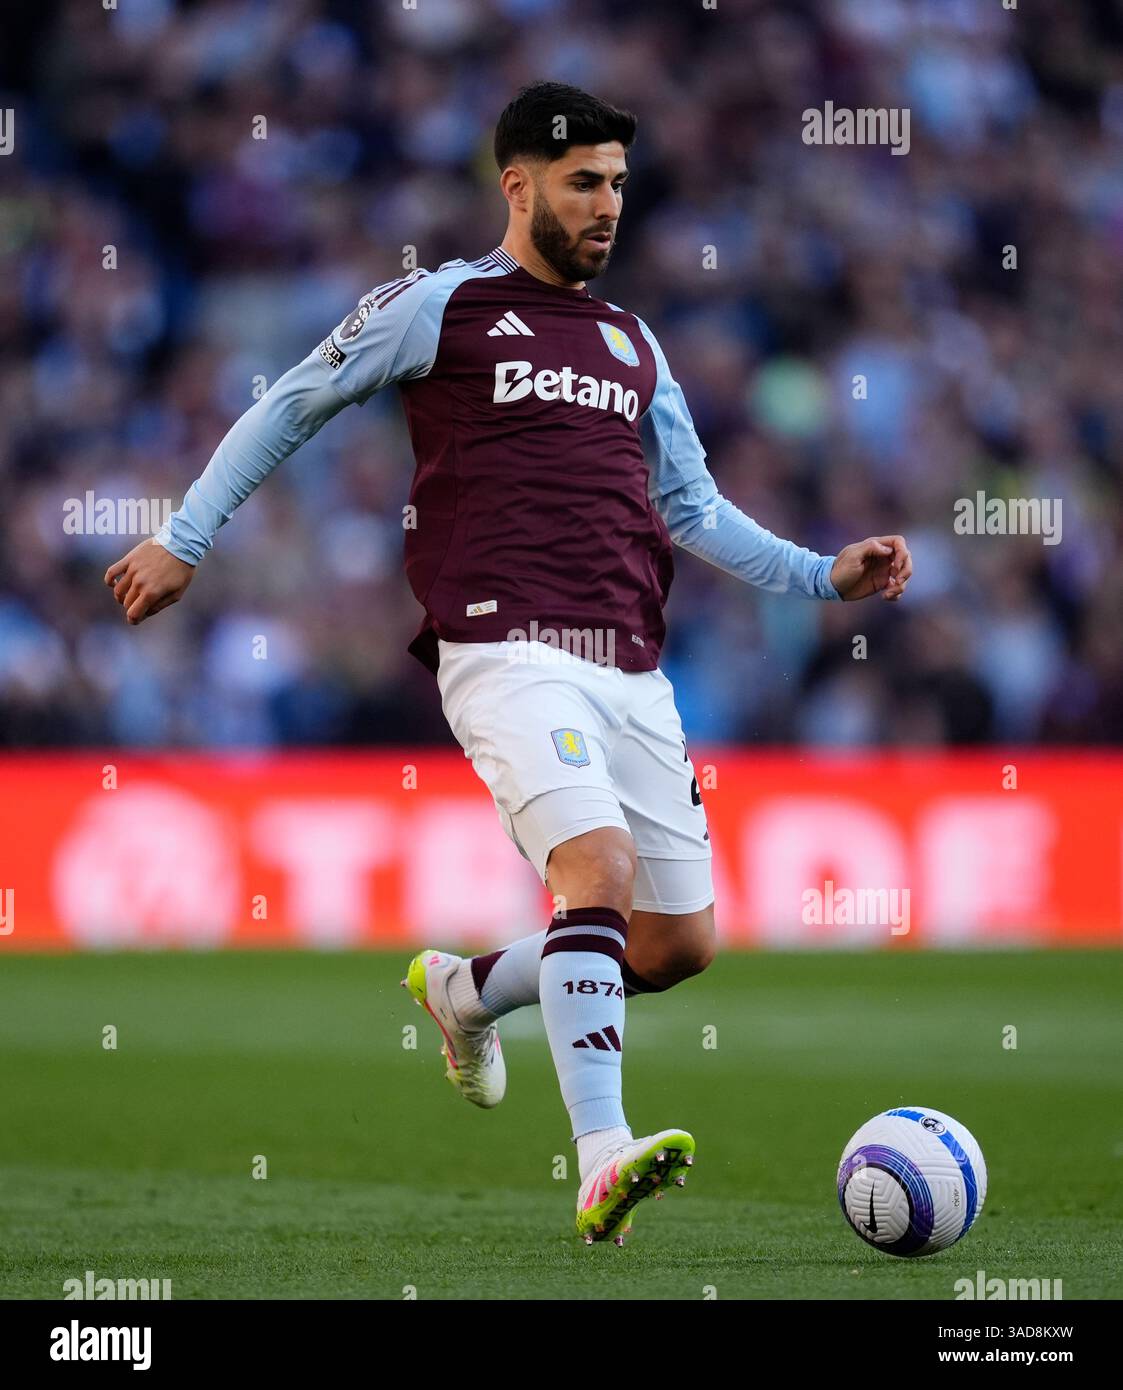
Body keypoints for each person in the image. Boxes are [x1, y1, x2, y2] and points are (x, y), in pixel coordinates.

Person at [105, 81, 912, 1246]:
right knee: (596, 866)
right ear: (518, 185)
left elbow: (694, 508)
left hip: (630, 665)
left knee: (676, 943)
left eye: (619, 187)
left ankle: (468, 991)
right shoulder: (441, 305)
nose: (606, 208)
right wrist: (185, 538)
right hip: (503, 644)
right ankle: (599, 1155)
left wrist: (821, 572)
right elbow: (292, 401)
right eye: (584, 183)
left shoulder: (636, 345)